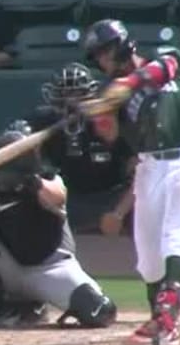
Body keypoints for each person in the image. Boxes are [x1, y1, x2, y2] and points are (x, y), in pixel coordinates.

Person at [80, 19, 180, 345]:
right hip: (149, 169)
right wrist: (101, 115)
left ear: (122, 45)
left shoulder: (166, 57)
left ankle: (167, 321)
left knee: (174, 238)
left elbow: (165, 69)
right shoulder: (112, 93)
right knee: (149, 260)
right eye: (97, 56)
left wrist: (128, 83)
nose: (102, 61)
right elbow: (113, 136)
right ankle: (163, 306)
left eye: (105, 52)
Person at [0, 123, 118, 330]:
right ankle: (3, 311)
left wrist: (30, 181)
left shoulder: (45, 179)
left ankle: (34, 308)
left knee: (100, 311)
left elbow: (58, 196)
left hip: (53, 268)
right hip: (8, 266)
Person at [24, 64, 135, 234]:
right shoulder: (44, 120)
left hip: (112, 197)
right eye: (66, 94)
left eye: (78, 94)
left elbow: (140, 171)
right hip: (66, 198)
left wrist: (119, 213)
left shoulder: (110, 119)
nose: (72, 102)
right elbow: (19, 141)